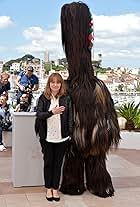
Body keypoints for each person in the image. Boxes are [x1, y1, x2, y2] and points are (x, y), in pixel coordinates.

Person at [59, 2, 121, 198]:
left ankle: (76, 182)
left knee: (77, 152)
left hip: (84, 105)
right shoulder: (96, 87)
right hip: (91, 111)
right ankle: (96, 182)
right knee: (93, 154)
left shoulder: (76, 88)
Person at [35, 73, 73, 202]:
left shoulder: (66, 98)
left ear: (61, 84)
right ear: (49, 84)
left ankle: (55, 188)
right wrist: (52, 112)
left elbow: (70, 118)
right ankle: (48, 188)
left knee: (58, 164)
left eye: (58, 82)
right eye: (53, 82)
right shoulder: (43, 98)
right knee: (48, 163)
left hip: (62, 138)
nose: (55, 85)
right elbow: (39, 115)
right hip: (47, 138)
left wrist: (70, 134)